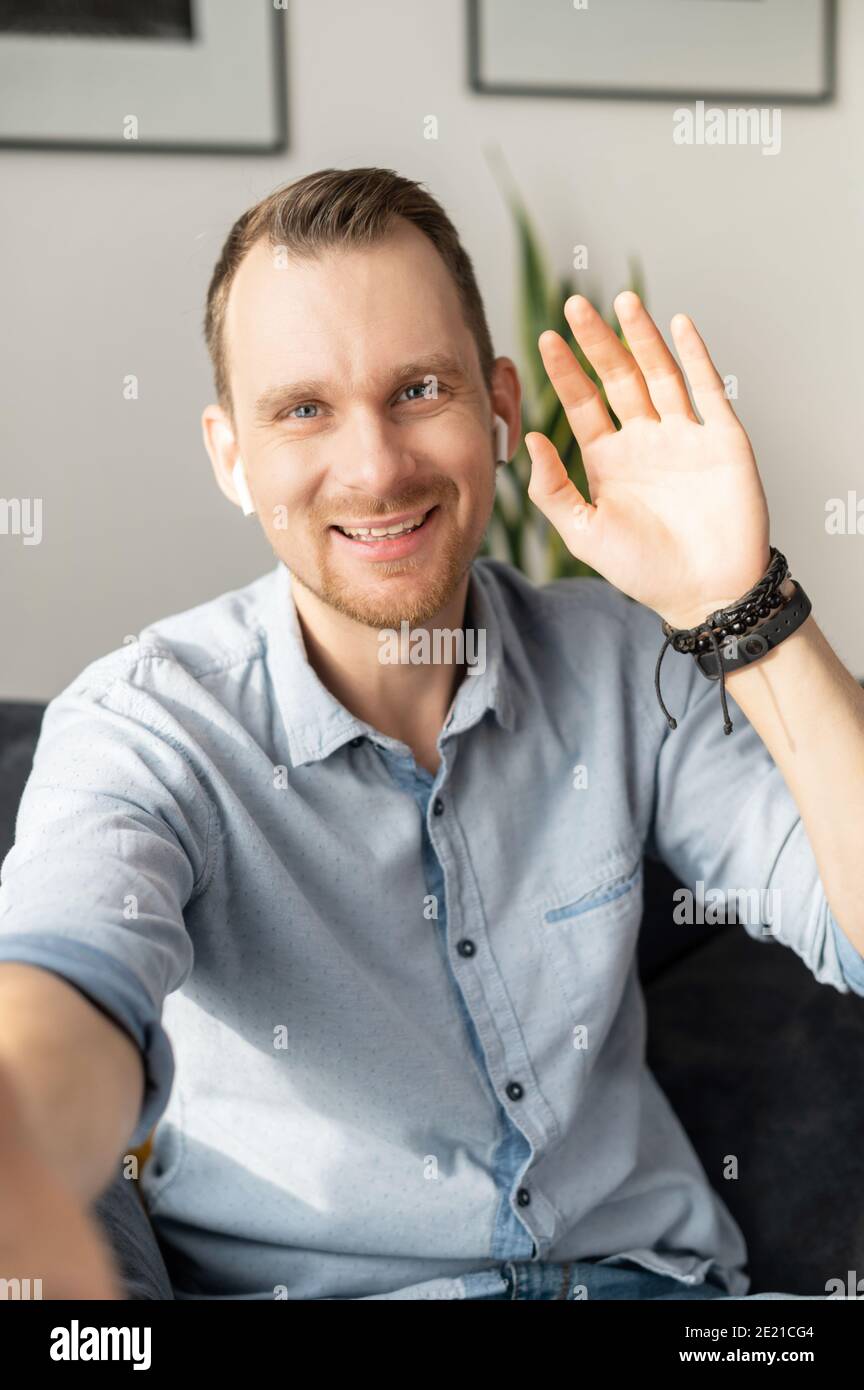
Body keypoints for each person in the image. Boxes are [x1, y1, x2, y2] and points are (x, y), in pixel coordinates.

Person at [1, 167, 863, 1302]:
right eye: (303, 408)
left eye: (418, 389)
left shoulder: (619, 660)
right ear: (229, 453)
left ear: (500, 408)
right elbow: (63, 996)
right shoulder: (150, 724)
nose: (375, 466)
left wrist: (740, 604)